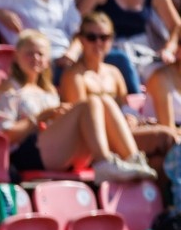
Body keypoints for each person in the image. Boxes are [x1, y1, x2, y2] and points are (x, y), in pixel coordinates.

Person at [0, 29, 155, 182]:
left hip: (55, 147)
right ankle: (103, 162)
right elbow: (4, 135)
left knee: (104, 100)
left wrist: (58, 116)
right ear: (17, 56)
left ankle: (133, 158)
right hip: (28, 154)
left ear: (47, 60)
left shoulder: (49, 90)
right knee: (90, 103)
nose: (35, 58)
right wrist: (41, 117)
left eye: (40, 54)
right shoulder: (9, 88)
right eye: (29, 53)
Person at [62, 11, 180, 170]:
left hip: (122, 133)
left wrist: (131, 118)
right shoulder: (74, 76)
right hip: (95, 142)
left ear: (111, 40)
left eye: (104, 37)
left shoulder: (114, 72)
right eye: (91, 37)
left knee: (159, 162)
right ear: (81, 39)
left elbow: (124, 108)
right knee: (165, 137)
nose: (98, 43)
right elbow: (83, 121)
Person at [76, 0, 179, 95]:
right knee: (122, 60)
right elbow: (76, 24)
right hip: (105, 49)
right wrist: (75, 51)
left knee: (164, 73)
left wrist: (168, 50)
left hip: (143, 54)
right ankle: (135, 99)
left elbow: (176, 26)